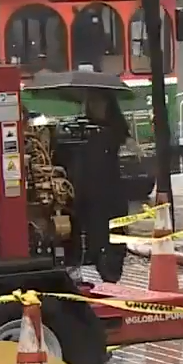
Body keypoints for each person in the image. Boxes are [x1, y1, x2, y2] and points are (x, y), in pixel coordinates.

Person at [73, 89, 134, 282]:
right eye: (91, 102)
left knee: (115, 236)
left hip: (113, 194)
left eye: (99, 102)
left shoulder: (118, 132)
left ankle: (112, 275)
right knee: (94, 235)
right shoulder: (81, 130)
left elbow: (130, 160)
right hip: (90, 194)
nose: (95, 107)